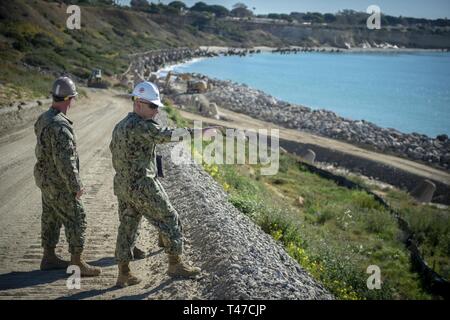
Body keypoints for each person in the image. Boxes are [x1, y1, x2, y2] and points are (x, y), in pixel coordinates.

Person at [110, 81, 219, 287]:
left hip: (123, 185)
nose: (156, 111)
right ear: (138, 103)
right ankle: (175, 264)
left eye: (157, 106)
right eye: (153, 106)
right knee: (170, 219)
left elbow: (114, 152)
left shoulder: (121, 125)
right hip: (142, 185)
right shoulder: (142, 126)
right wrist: (199, 132)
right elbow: (166, 135)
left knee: (127, 227)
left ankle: (123, 273)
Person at [34, 76, 101, 277]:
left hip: (45, 179)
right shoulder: (61, 126)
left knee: (51, 216)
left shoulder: (44, 118)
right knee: (77, 217)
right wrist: (76, 186)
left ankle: (49, 257)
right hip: (59, 182)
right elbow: (66, 162)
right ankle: (77, 262)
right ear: (69, 98)